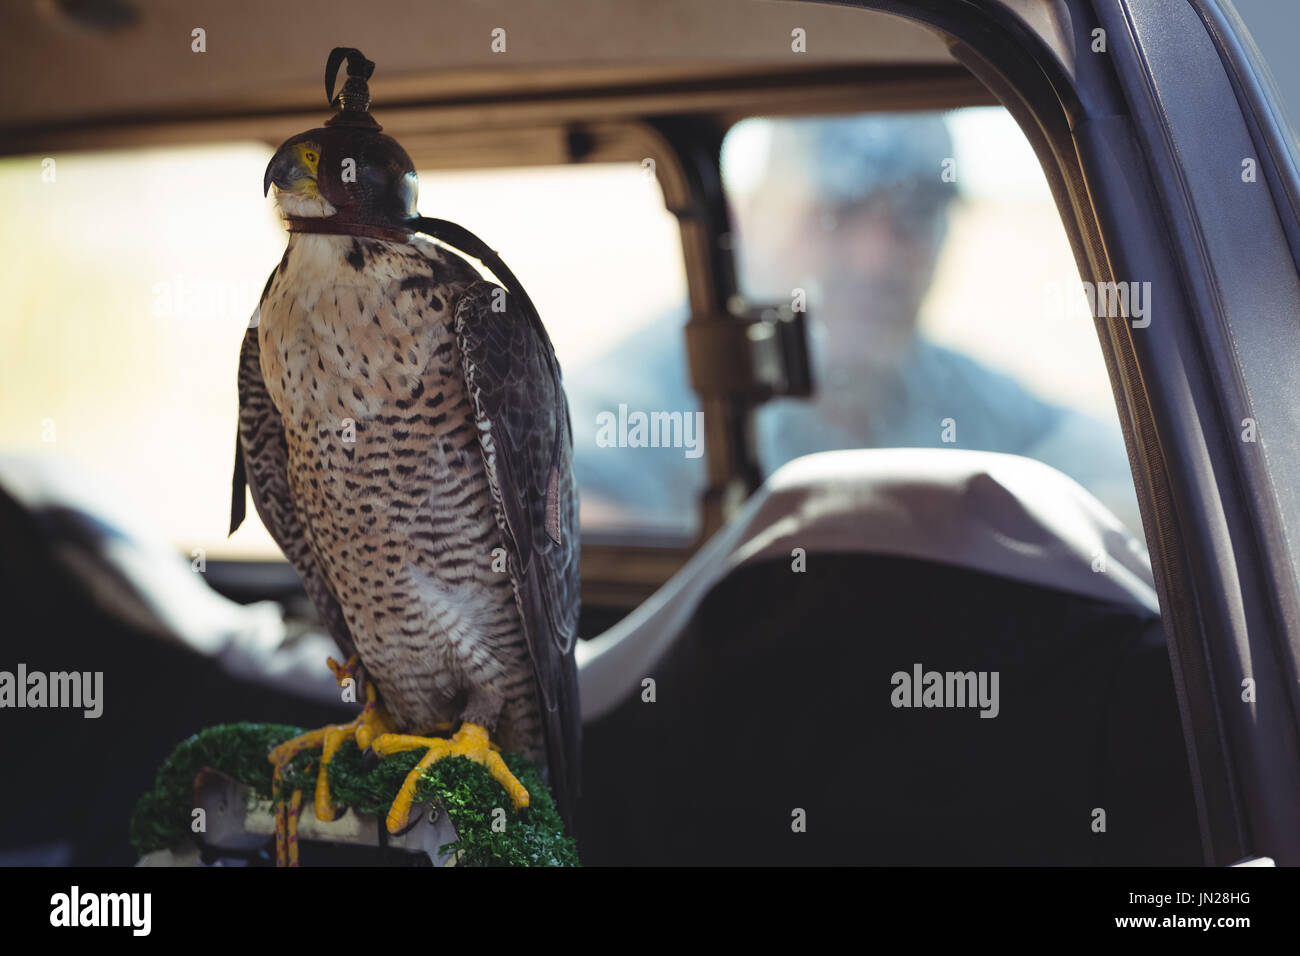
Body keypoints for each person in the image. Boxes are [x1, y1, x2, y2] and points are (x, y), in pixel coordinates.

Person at [568, 112, 1142, 536]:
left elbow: (1118, 474)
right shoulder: (649, 392)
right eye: (836, 214)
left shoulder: (959, 394)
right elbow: (556, 520)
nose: (879, 259)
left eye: (915, 217)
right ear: (746, 220)